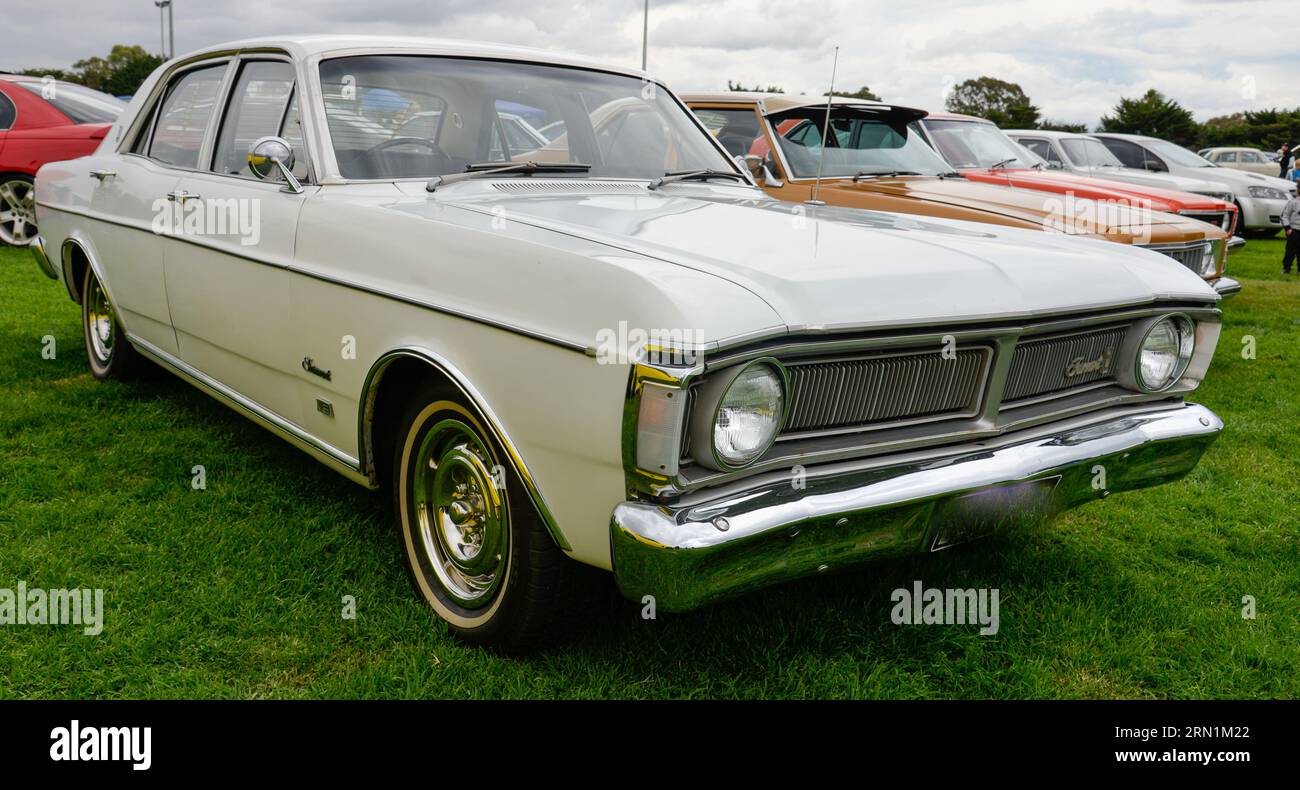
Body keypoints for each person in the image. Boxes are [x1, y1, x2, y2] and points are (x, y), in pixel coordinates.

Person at [1283, 189, 1300, 274]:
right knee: (1290, 250)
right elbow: (1285, 216)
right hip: (1294, 230)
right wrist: (1288, 228)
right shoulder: (1293, 202)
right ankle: (1286, 268)